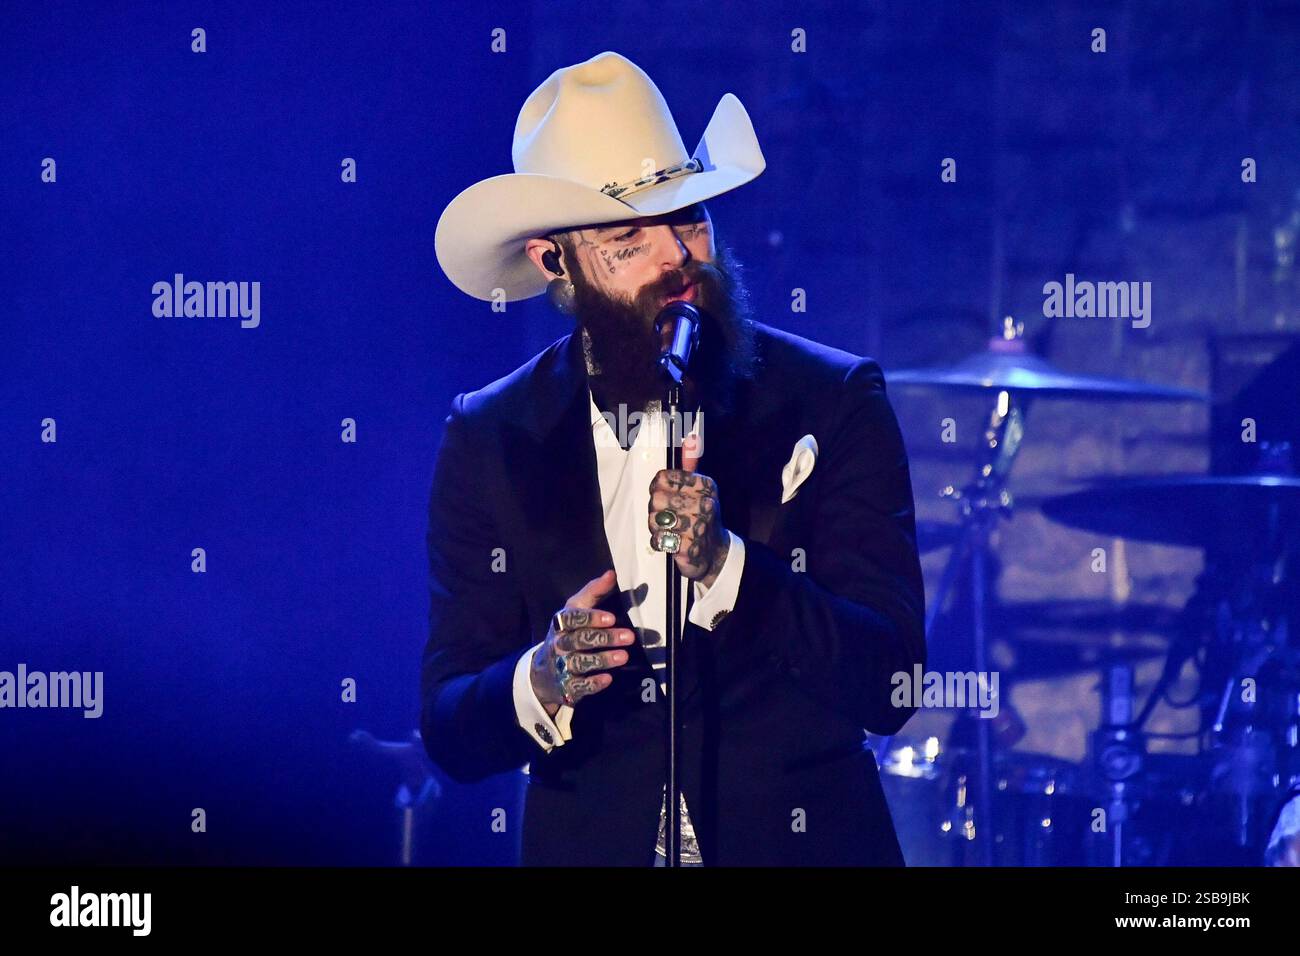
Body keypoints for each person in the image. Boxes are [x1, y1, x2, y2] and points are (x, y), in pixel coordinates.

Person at [421, 50, 926, 866]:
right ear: (557, 262)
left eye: (690, 219)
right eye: (630, 236)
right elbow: (449, 725)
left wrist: (728, 567)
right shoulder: (492, 434)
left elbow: (893, 680)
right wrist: (542, 677)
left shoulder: (830, 398)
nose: (678, 256)